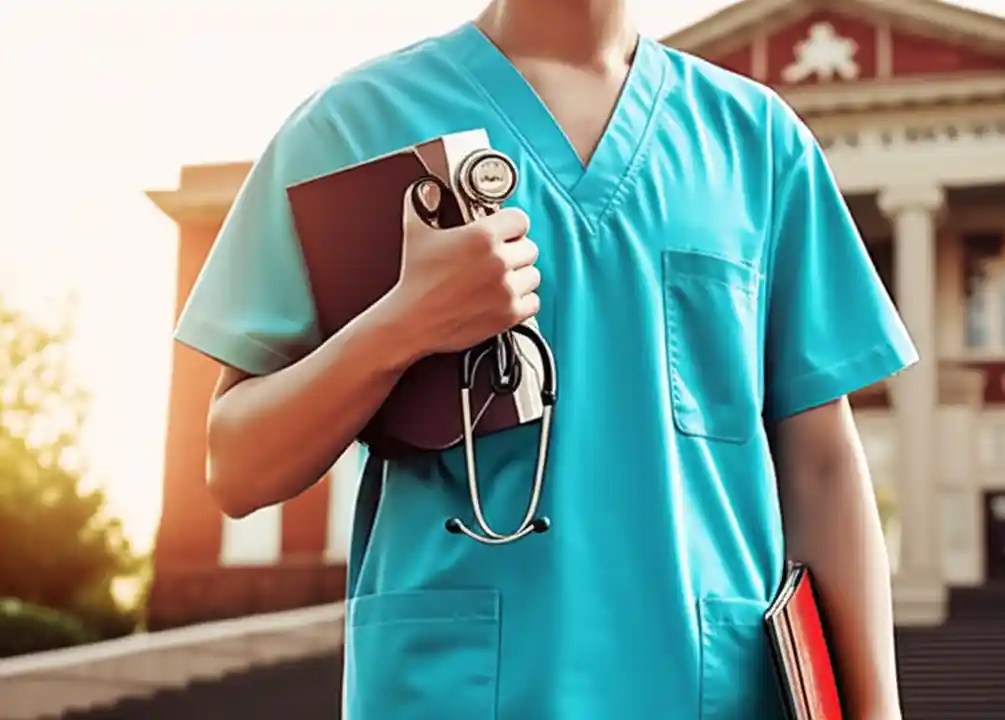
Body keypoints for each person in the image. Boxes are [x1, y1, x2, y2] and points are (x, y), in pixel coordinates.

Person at [173, 0, 918, 718]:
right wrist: (401, 327)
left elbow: (821, 464)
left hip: (705, 688)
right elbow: (237, 468)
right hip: (455, 694)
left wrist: (874, 711)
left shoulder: (759, 144)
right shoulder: (352, 124)